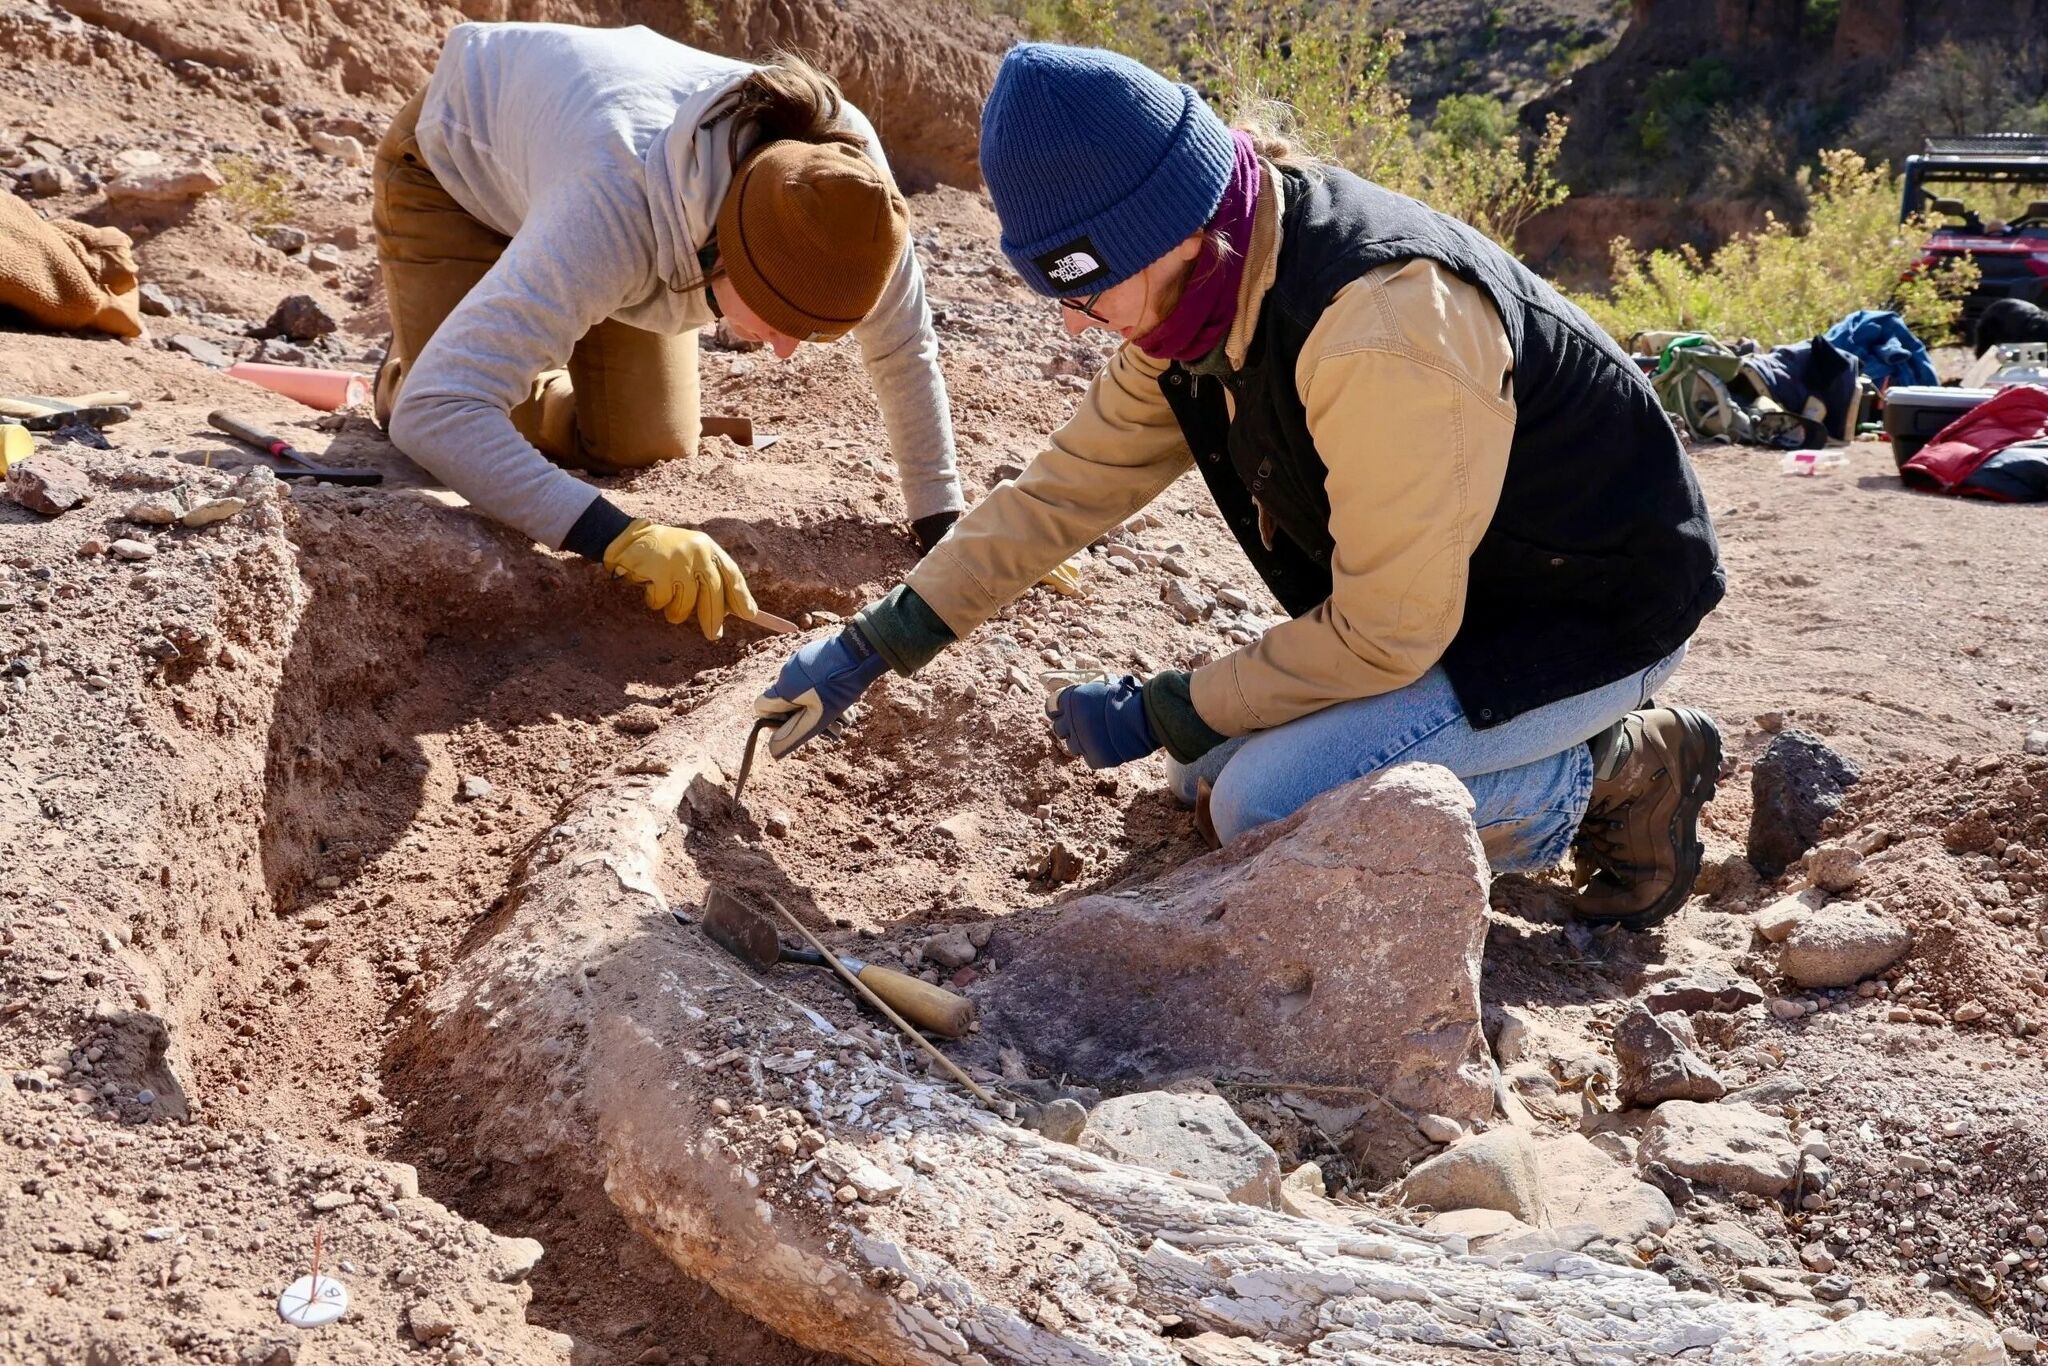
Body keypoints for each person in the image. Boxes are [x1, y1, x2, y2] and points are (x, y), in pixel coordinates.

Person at [755, 44, 1729, 928]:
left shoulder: (1376, 326)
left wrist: (1164, 706)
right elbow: (1061, 493)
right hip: (1459, 601)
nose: (1075, 325)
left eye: (1083, 288)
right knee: (1207, 774)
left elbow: (1386, 634)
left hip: (1590, 616)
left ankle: (1621, 771)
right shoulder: (1198, 297)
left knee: (1263, 807)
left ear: (1162, 232)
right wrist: (870, 646)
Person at [373, 21, 964, 639]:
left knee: (645, 441)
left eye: (811, 333)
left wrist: (942, 524)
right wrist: (616, 536)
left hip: (581, 196)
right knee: (449, 416)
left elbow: (904, 350)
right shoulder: (610, 209)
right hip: (456, 170)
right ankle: (412, 365)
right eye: (776, 320)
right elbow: (439, 411)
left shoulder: (853, 204)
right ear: (724, 253)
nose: (786, 352)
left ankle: (523, 317)